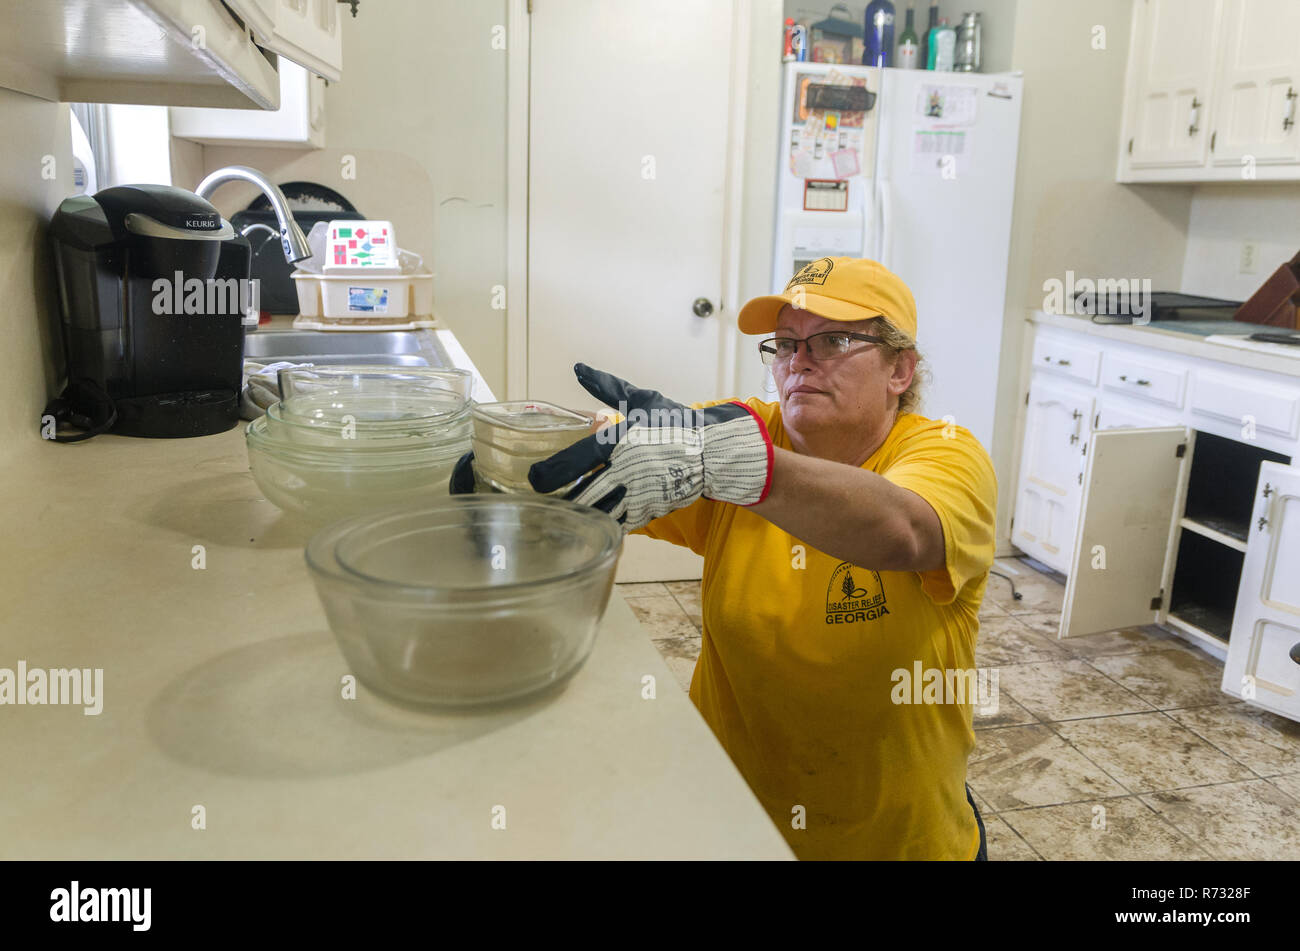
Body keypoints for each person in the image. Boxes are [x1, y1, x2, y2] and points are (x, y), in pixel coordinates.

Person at [453, 257, 996, 860]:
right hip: (730, 820)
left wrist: (736, 463)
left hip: (892, 842)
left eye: (834, 340)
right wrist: (499, 453)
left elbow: (905, 529)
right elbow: (613, 443)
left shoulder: (944, 452)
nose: (800, 361)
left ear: (902, 368)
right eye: (786, 344)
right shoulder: (746, 430)